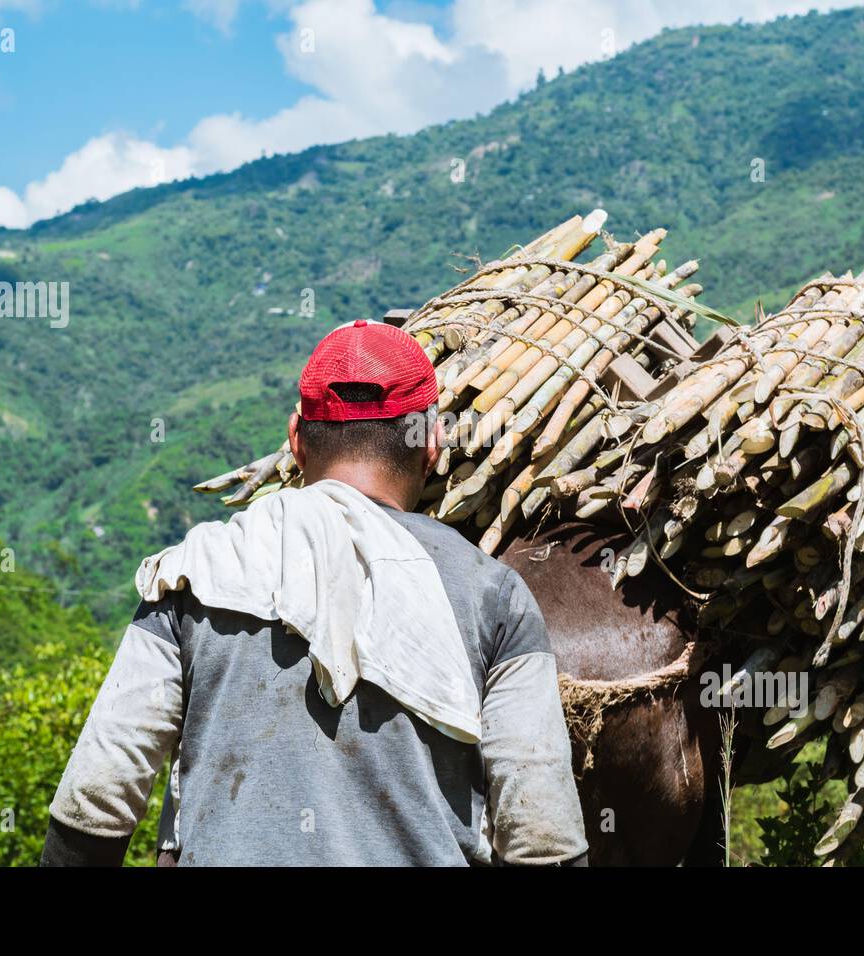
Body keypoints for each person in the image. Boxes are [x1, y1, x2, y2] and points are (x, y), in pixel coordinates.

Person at [40, 319, 588, 866]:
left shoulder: (194, 574)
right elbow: (543, 840)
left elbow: (97, 796)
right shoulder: (496, 597)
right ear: (432, 444)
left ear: (296, 440)